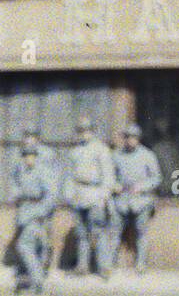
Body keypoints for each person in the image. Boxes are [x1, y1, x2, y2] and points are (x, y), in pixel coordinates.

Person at [64, 115, 115, 277]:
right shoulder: (74, 151)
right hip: (79, 193)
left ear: (93, 131)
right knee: (81, 233)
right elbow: (69, 175)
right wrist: (69, 195)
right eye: (81, 131)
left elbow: (108, 175)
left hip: (95, 193)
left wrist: (104, 196)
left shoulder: (101, 149)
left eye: (87, 130)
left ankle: (104, 267)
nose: (84, 134)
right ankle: (82, 266)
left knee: (97, 231)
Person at [10, 130, 58, 293]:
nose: (28, 158)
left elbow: (51, 196)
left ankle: (37, 281)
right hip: (25, 212)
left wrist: (41, 213)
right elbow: (15, 189)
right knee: (31, 247)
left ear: (36, 156)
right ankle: (36, 280)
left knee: (25, 246)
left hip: (38, 214)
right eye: (26, 155)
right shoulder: (22, 170)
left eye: (31, 155)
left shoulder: (43, 171)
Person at [112, 123, 162, 272]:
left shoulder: (148, 155)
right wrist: (115, 185)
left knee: (141, 232)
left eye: (133, 137)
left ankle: (140, 264)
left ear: (138, 139)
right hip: (121, 200)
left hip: (141, 200)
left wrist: (142, 187)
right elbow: (109, 175)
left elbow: (157, 178)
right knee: (114, 231)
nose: (130, 140)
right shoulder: (116, 155)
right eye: (127, 137)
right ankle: (111, 263)